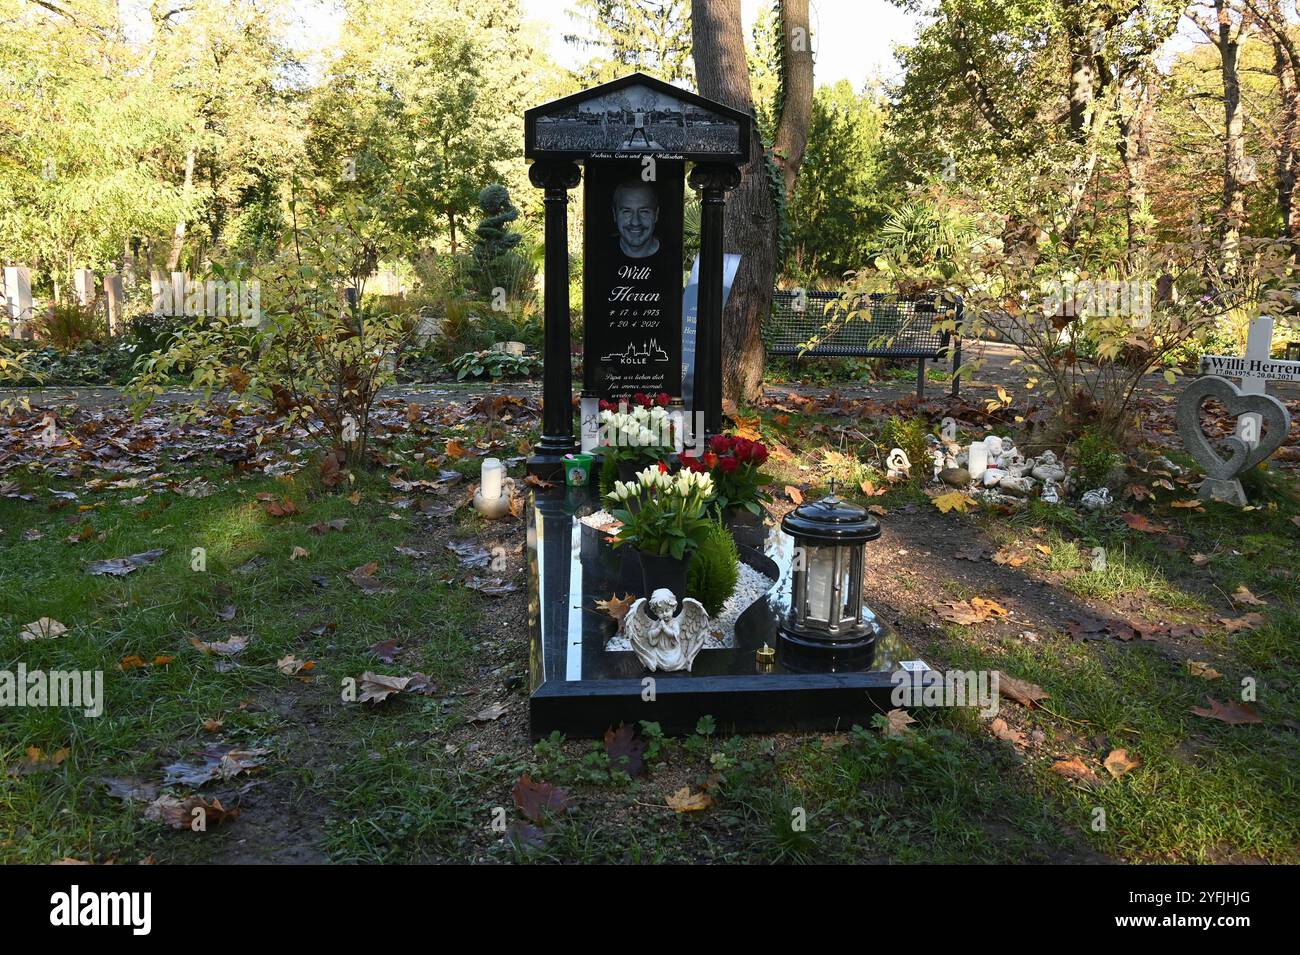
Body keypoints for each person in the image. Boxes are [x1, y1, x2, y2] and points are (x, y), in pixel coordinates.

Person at [612, 179, 660, 259]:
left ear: (656, 214)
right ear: (615, 214)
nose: (635, 222)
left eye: (644, 212)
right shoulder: (599, 254)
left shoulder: (672, 256)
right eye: (627, 212)